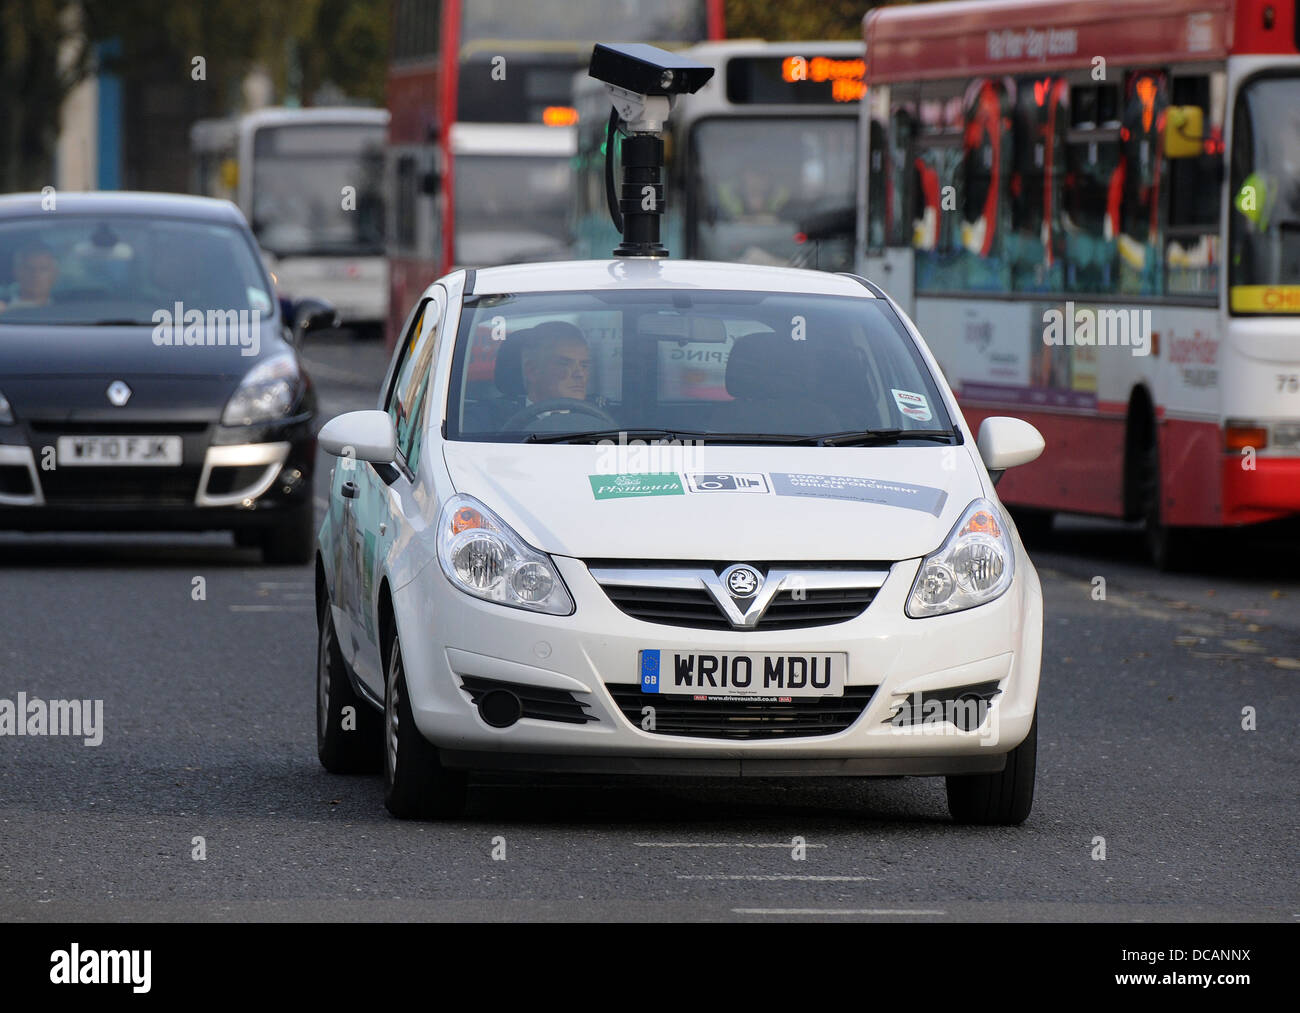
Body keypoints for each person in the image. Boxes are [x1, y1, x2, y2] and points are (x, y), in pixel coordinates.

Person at [521, 321, 592, 404]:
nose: (580, 374)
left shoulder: (604, 414)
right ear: (532, 371)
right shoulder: (504, 415)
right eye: (564, 364)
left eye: (584, 366)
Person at [0, 241, 59, 312]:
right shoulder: (5, 311)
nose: (36, 275)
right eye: (29, 269)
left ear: (54, 274)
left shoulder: (68, 309)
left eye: (43, 269)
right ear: (16, 272)